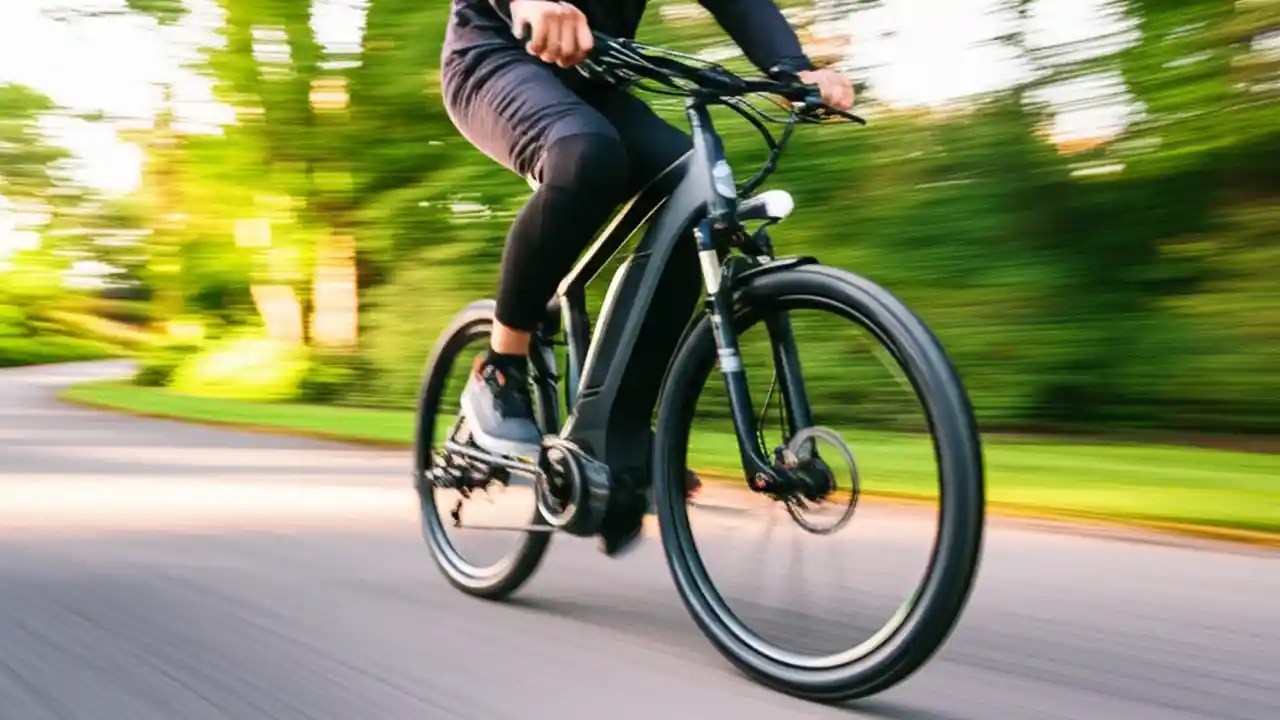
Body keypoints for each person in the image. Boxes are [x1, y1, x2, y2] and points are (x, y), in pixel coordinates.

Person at [442, 0, 854, 552]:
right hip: (494, 57)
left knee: (694, 190)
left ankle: (619, 437)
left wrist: (792, 68)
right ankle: (500, 369)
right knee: (588, 155)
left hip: (595, 72)